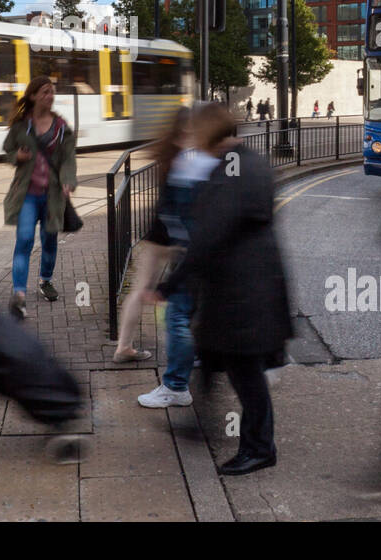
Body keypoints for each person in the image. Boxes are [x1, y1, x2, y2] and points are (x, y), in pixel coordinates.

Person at [150, 103, 293, 475]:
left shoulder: (231, 167)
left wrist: (171, 283)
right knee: (213, 358)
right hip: (245, 285)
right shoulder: (248, 160)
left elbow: (210, 234)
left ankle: (260, 448)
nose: (192, 138)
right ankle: (199, 426)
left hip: (242, 292)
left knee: (246, 376)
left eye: (197, 131)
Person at [136, 107, 219, 408]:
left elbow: (178, 216)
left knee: (178, 317)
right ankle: (195, 364)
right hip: (199, 253)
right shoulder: (210, 161)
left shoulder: (188, 165)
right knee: (194, 313)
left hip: (190, 254)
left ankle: (175, 386)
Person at [112, 108, 191, 364]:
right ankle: (187, 348)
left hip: (157, 230)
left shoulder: (168, 150)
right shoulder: (186, 154)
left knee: (140, 290)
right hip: (175, 234)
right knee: (184, 290)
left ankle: (124, 346)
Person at [3, 76, 77, 319]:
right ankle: (19, 295)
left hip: (52, 196)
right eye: (45, 92)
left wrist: (68, 179)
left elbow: (68, 158)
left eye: (52, 92)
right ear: (34, 96)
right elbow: (8, 150)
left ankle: (45, 279)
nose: (50, 96)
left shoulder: (61, 126)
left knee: (49, 241)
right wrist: (17, 157)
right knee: (24, 240)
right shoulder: (20, 126)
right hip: (27, 195)